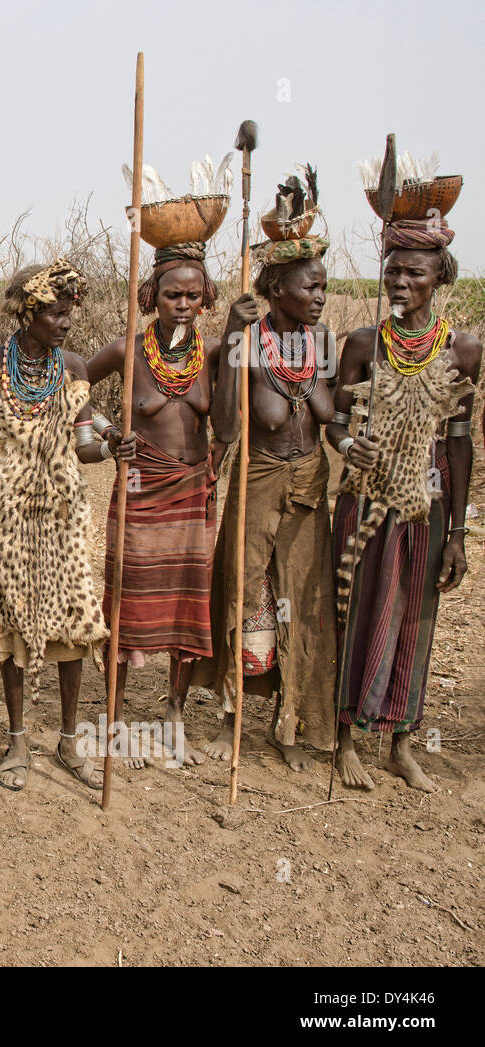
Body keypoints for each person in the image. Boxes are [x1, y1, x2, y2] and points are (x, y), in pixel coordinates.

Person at [326, 217, 478, 792]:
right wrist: (349, 445)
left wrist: (457, 533)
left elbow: (459, 442)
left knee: (416, 613)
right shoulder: (363, 343)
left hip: (426, 502)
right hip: (366, 495)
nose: (400, 282)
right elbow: (336, 421)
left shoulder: (464, 349)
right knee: (356, 605)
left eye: (415, 273)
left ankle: (401, 743)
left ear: (439, 278)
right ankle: (343, 739)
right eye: (393, 271)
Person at [201, 204, 336, 773]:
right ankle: (230, 717)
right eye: (311, 287)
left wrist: (357, 440)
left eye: (323, 286)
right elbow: (227, 427)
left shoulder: (322, 339)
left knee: (302, 597)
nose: (321, 297)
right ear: (278, 289)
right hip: (258, 478)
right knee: (244, 587)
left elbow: (332, 417)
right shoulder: (248, 342)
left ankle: (290, 723)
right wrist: (233, 335)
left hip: (309, 480)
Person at [0, 261, 119, 791]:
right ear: (28, 310)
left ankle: (68, 738)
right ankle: (16, 740)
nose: (66, 322)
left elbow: (84, 445)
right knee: (13, 620)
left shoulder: (74, 366)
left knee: (74, 620)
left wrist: (110, 444)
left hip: (63, 512)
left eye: (69, 312)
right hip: (9, 512)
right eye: (56, 313)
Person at [87, 241, 223, 767]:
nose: (183, 305)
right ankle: (116, 720)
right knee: (129, 605)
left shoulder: (213, 353)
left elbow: (230, 419)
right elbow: (72, 384)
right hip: (142, 489)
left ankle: (174, 717)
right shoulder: (127, 350)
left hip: (192, 490)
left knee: (188, 603)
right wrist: (107, 433)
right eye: (172, 295)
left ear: (205, 297)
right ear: (152, 295)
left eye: (193, 295)